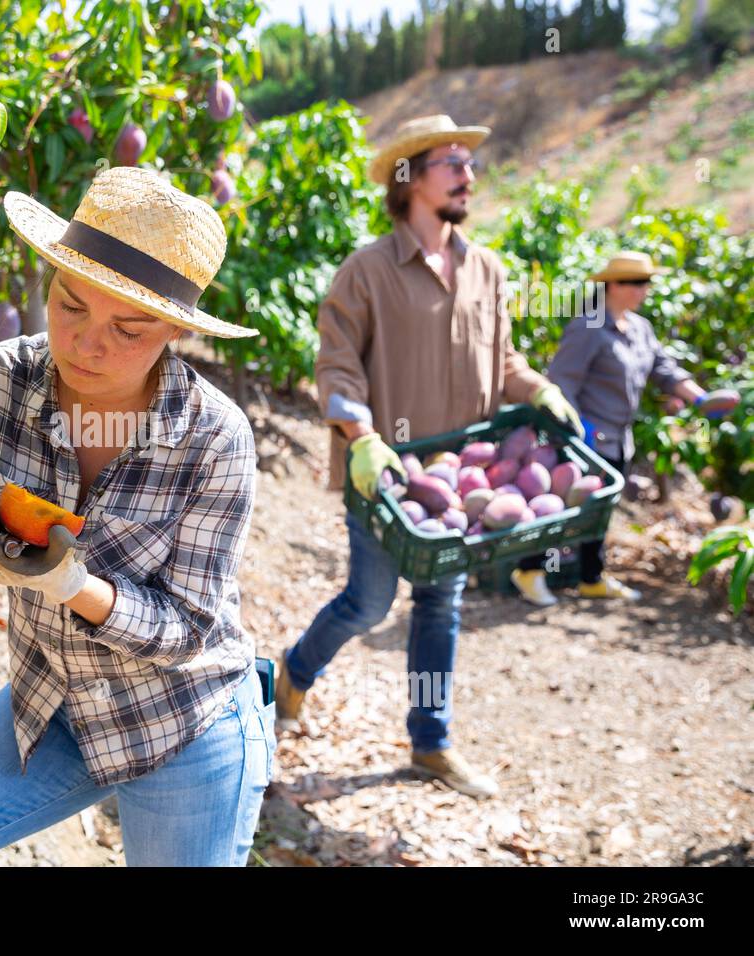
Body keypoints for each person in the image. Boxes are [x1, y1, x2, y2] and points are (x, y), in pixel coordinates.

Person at [0, 166, 275, 867]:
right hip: (53, 704)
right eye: (70, 305)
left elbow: (191, 629)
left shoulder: (214, 437)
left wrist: (72, 587)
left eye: (128, 328)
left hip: (184, 723)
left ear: (175, 333)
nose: (85, 344)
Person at [274, 115, 584, 800]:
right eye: (452, 162)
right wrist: (361, 435)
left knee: (440, 607)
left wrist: (541, 389)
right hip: (385, 474)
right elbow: (336, 368)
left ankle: (430, 742)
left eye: (471, 163)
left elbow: (503, 362)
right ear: (410, 177)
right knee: (368, 603)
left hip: (462, 480)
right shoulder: (367, 272)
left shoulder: (488, 270)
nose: (469, 174)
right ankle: (294, 671)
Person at [510, 251, 725, 606]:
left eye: (647, 282)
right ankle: (530, 570)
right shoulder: (589, 327)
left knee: (600, 511)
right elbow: (562, 381)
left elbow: (663, 369)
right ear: (613, 286)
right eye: (637, 282)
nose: (644, 290)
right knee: (566, 506)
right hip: (588, 436)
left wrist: (700, 399)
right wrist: (578, 431)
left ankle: (591, 578)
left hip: (618, 438)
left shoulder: (639, 328)